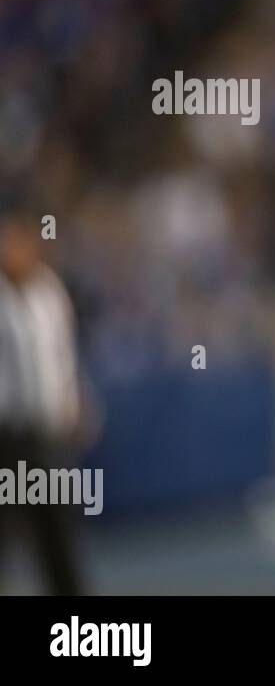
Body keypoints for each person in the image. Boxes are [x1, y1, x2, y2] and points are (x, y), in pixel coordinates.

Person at [0, 198, 84, 595]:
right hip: (3, 434)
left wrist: (71, 400)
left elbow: (62, 357)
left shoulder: (49, 291)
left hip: (43, 433)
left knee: (56, 536)